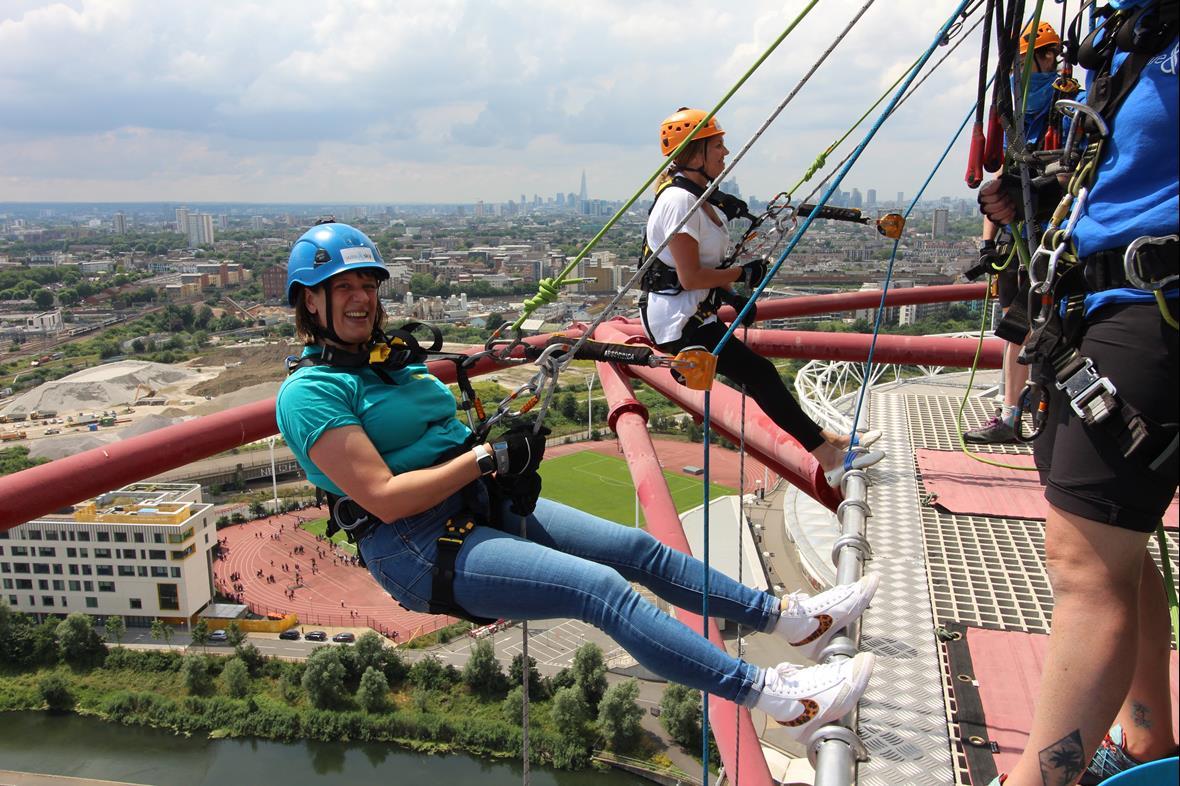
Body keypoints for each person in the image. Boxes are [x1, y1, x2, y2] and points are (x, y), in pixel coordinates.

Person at [275, 220, 879, 741]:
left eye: (366, 286)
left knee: (637, 549)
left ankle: (789, 620)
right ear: (309, 303)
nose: (359, 298)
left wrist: (497, 443)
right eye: (341, 288)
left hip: (473, 503)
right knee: (599, 591)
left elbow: (438, 431)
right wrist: (487, 458)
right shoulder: (312, 393)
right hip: (417, 545)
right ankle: (778, 697)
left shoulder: (390, 362)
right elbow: (381, 497)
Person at [978, 1, 1178, 782]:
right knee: (1115, 553)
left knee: (1088, 569)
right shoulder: (1126, 30)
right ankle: (1147, 737)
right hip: (1104, 300)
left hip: (1147, 302)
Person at [640, 108, 884, 487]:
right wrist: (741, 275)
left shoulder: (697, 198)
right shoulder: (679, 203)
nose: (726, 152)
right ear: (695, 154)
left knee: (760, 376)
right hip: (679, 322)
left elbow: (695, 270)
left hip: (692, 315)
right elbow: (688, 277)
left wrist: (730, 293)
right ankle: (831, 459)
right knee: (761, 374)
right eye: (717, 145)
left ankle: (827, 442)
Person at [966, 21, 1069, 445]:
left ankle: (1039, 408)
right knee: (1017, 327)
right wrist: (987, 244)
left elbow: (1077, 173)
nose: (1040, 65)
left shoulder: (1067, 107)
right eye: (1033, 58)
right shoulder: (1012, 117)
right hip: (1022, 241)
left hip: (1056, 238)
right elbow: (999, 187)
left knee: (1050, 325)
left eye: (1044, 56)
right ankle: (1011, 412)